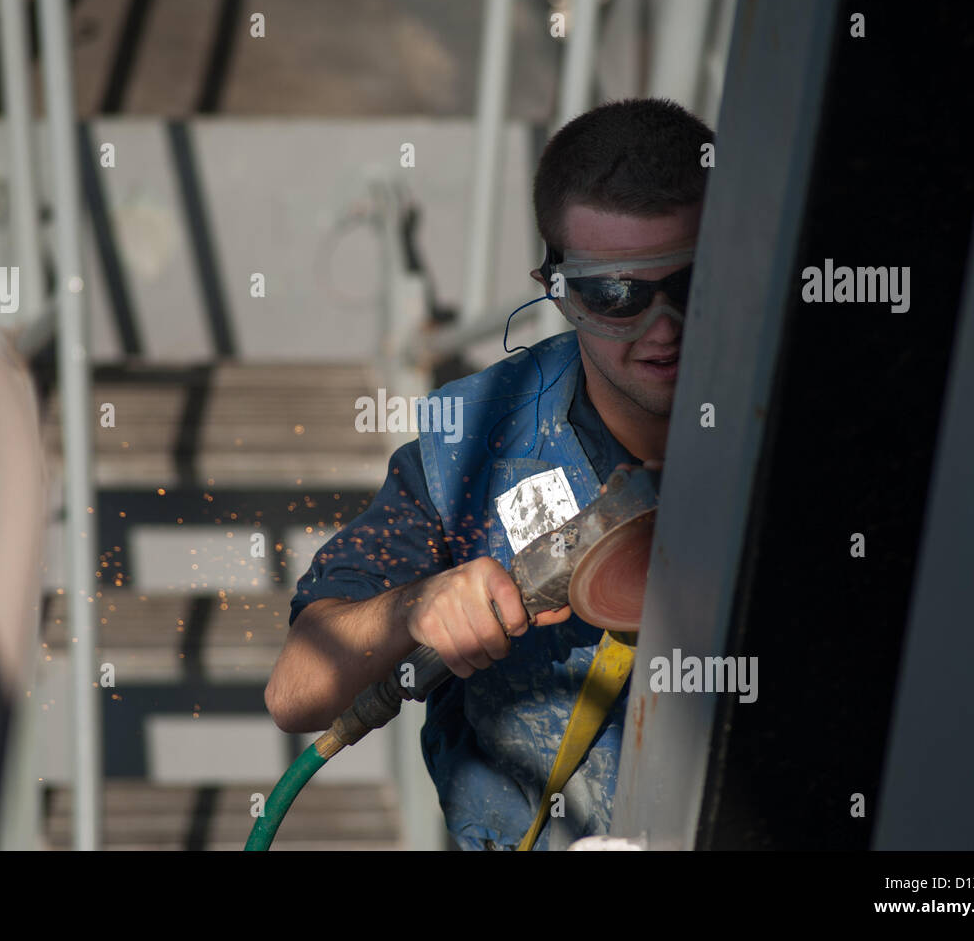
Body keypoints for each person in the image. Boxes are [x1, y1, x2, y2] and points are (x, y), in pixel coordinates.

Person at [266, 97, 713, 850]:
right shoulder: (472, 452)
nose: (660, 328)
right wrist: (416, 607)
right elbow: (295, 689)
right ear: (559, 287)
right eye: (617, 295)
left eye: (692, 285)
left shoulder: (823, 420)